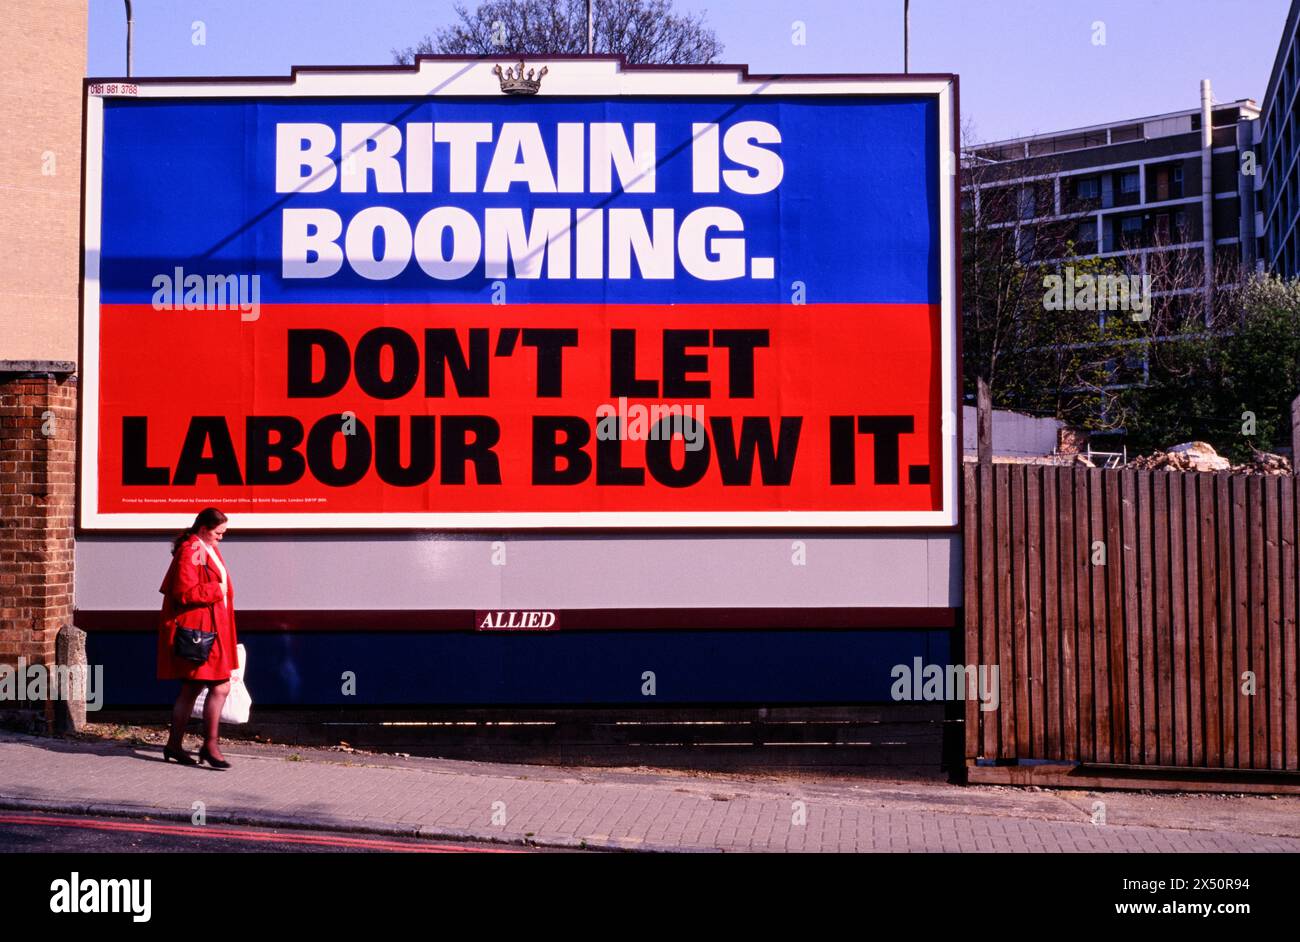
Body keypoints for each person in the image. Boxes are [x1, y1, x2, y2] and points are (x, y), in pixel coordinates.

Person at [158, 507, 238, 769]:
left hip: (210, 629)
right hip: (202, 631)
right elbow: (183, 591)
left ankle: (175, 744)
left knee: (192, 688)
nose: (222, 537)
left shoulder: (204, 548)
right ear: (203, 529)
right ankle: (210, 745)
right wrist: (217, 589)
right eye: (218, 532)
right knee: (220, 686)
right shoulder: (192, 550)